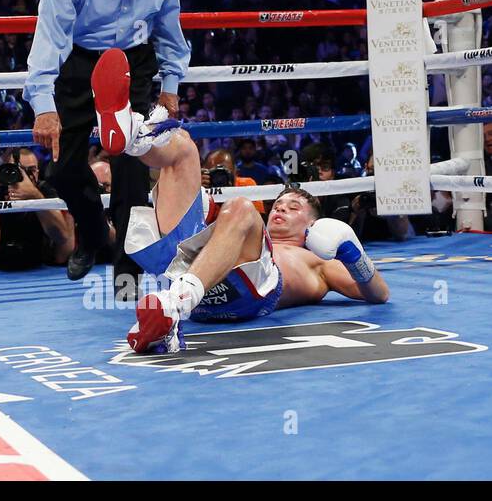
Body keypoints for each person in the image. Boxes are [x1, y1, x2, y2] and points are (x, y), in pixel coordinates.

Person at [89, 49, 389, 354]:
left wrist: (352, 253)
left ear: (313, 225)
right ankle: (131, 140)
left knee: (243, 208)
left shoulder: (318, 262)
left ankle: (176, 302)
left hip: (250, 295)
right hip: (185, 275)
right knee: (181, 146)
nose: (281, 209)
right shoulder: (242, 233)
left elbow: (379, 294)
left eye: (293, 207)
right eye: (280, 204)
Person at [25, 0, 190, 285]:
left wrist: (170, 83)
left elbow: (169, 24)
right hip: (79, 61)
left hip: (133, 61)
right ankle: (94, 231)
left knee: (131, 168)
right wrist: (43, 104)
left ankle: (127, 271)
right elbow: (50, 32)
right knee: (63, 170)